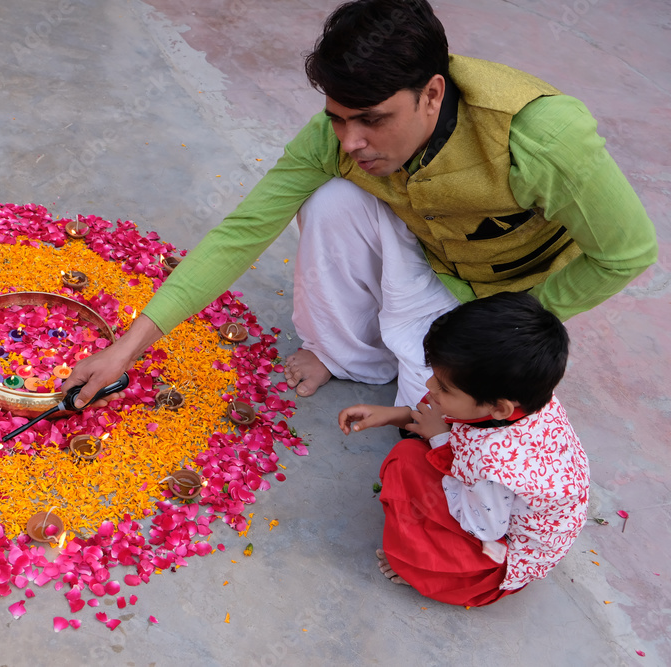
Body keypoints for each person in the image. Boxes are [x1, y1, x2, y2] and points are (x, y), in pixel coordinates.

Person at [63, 0, 656, 408]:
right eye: (338, 119)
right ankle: (347, 354)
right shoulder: (337, 135)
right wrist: (127, 347)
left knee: (446, 435)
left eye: (372, 121)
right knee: (331, 201)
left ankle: (428, 354)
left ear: (432, 94)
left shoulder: (542, 137)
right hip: (427, 260)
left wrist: (509, 329)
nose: (351, 142)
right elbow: (244, 231)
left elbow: (626, 254)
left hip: (504, 300)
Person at [337, 292, 589, 606]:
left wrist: (441, 440)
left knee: (406, 460)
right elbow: (457, 419)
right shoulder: (526, 397)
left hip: (494, 559)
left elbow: (481, 525)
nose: (429, 386)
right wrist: (393, 415)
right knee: (418, 454)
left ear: (498, 407)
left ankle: (428, 573)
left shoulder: (490, 460)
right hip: (504, 512)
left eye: (444, 387)